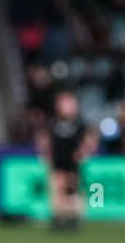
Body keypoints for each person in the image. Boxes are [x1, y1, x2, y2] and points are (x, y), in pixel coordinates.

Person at [39, 91, 95, 231]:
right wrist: (45, 154)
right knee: (57, 191)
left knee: (73, 192)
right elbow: (45, 140)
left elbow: (90, 139)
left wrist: (84, 151)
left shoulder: (79, 123)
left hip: (72, 164)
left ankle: (74, 220)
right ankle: (60, 220)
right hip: (57, 162)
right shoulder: (54, 122)